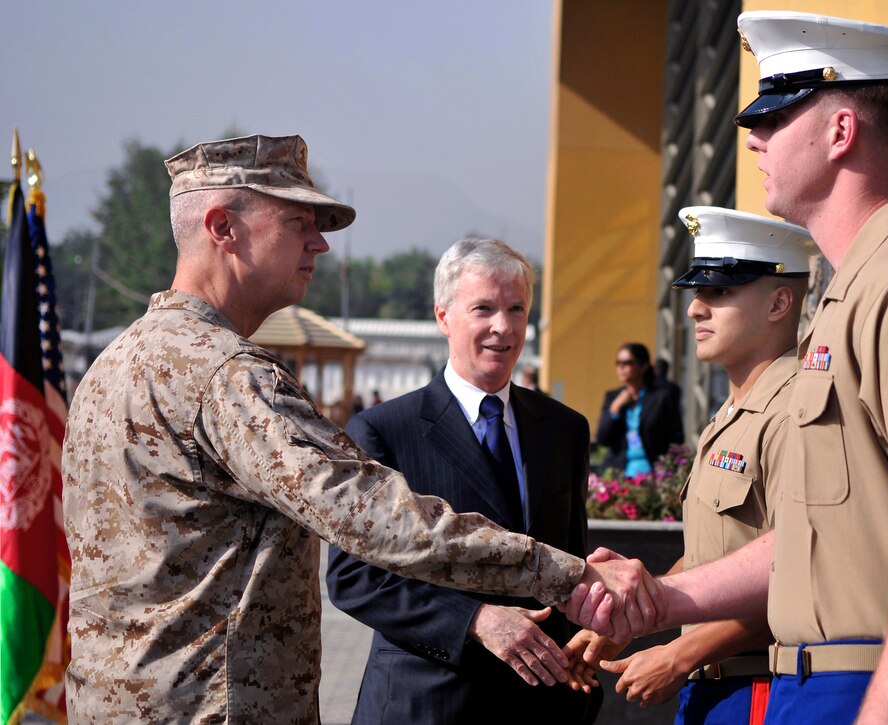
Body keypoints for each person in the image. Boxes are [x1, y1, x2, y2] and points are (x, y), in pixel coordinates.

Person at [60, 134, 660, 722]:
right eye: (298, 222)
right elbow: (372, 516)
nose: (319, 244)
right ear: (223, 228)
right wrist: (569, 572)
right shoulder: (226, 375)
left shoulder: (114, 364)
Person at [571, 12, 888, 725]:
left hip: (881, 686)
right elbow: (815, 540)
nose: (752, 136)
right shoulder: (853, 297)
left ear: (841, 131)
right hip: (815, 685)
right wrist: (661, 600)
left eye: (776, 115)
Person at [326, 238, 601, 724]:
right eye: (484, 308)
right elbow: (355, 578)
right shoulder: (385, 430)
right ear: (443, 317)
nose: (503, 326)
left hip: (539, 702)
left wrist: (590, 631)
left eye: (517, 309)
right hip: (429, 700)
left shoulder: (565, 429)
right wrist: (474, 621)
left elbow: (570, 554)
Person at [567, 208, 817, 725]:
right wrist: (637, 611)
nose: (695, 311)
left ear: (779, 301)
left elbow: (799, 574)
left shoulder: (796, 411)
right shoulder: (730, 414)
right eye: (697, 295)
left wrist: (680, 653)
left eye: (720, 293)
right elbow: (714, 556)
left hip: (760, 688)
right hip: (711, 685)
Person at [597, 343, 684, 478]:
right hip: (620, 472)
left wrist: (672, 470)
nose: (621, 367)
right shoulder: (612, 397)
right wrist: (615, 408)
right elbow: (603, 438)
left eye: (627, 363)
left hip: (654, 472)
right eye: (618, 363)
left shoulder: (661, 398)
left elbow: (676, 438)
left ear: (643, 367)